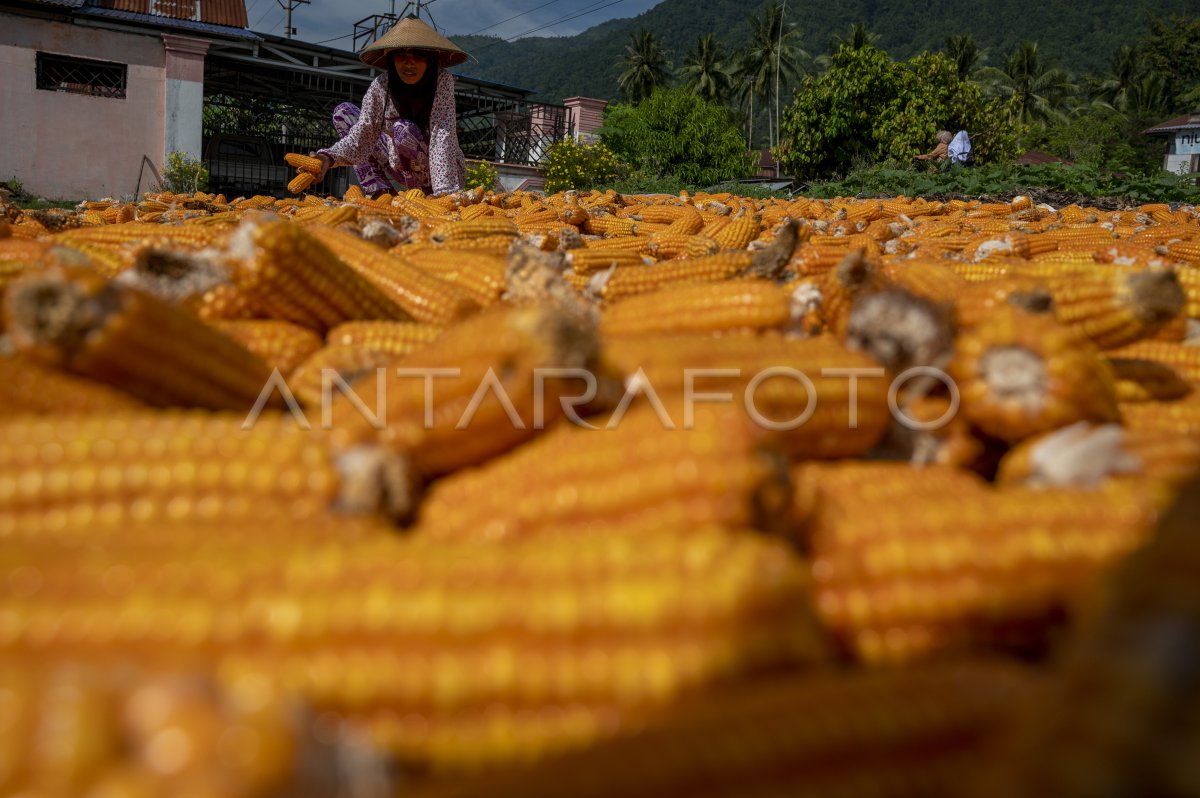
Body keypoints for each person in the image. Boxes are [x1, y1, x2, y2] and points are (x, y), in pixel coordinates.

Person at [307, 15, 467, 197]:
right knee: (343, 113)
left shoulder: (441, 81)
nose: (409, 62)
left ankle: (428, 194)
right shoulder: (381, 86)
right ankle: (380, 194)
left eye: (417, 55)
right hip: (397, 161)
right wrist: (328, 157)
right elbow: (363, 136)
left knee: (403, 129)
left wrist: (445, 195)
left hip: (439, 172)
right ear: (391, 59)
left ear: (430, 59)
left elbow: (442, 137)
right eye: (401, 56)